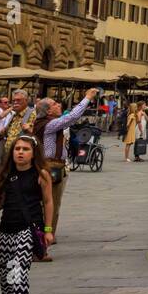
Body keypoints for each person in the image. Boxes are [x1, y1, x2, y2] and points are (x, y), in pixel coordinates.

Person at [0, 134, 54, 294]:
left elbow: (48, 202)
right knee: (6, 274)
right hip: (6, 229)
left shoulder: (41, 174)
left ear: (33, 153)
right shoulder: (6, 174)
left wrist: (48, 230)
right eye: (17, 149)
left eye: (25, 149)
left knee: (19, 271)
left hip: (28, 229)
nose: (20, 153)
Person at [31, 87, 98, 249]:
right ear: (48, 111)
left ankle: (48, 235)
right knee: (49, 203)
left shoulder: (47, 123)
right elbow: (72, 117)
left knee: (54, 203)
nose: (58, 104)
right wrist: (87, 98)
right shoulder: (49, 124)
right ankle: (42, 238)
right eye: (54, 104)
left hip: (56, 165)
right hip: (49, 166)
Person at [0, 90, 32, 159]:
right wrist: (1, 133)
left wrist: (29, 130)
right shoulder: (14, 115)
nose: (15, 102)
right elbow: (6, 133)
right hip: (8, 156)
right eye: (13, 101)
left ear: (26, 101)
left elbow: (37, 137)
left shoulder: (32, 114)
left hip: (21, 157)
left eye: (18, 100)